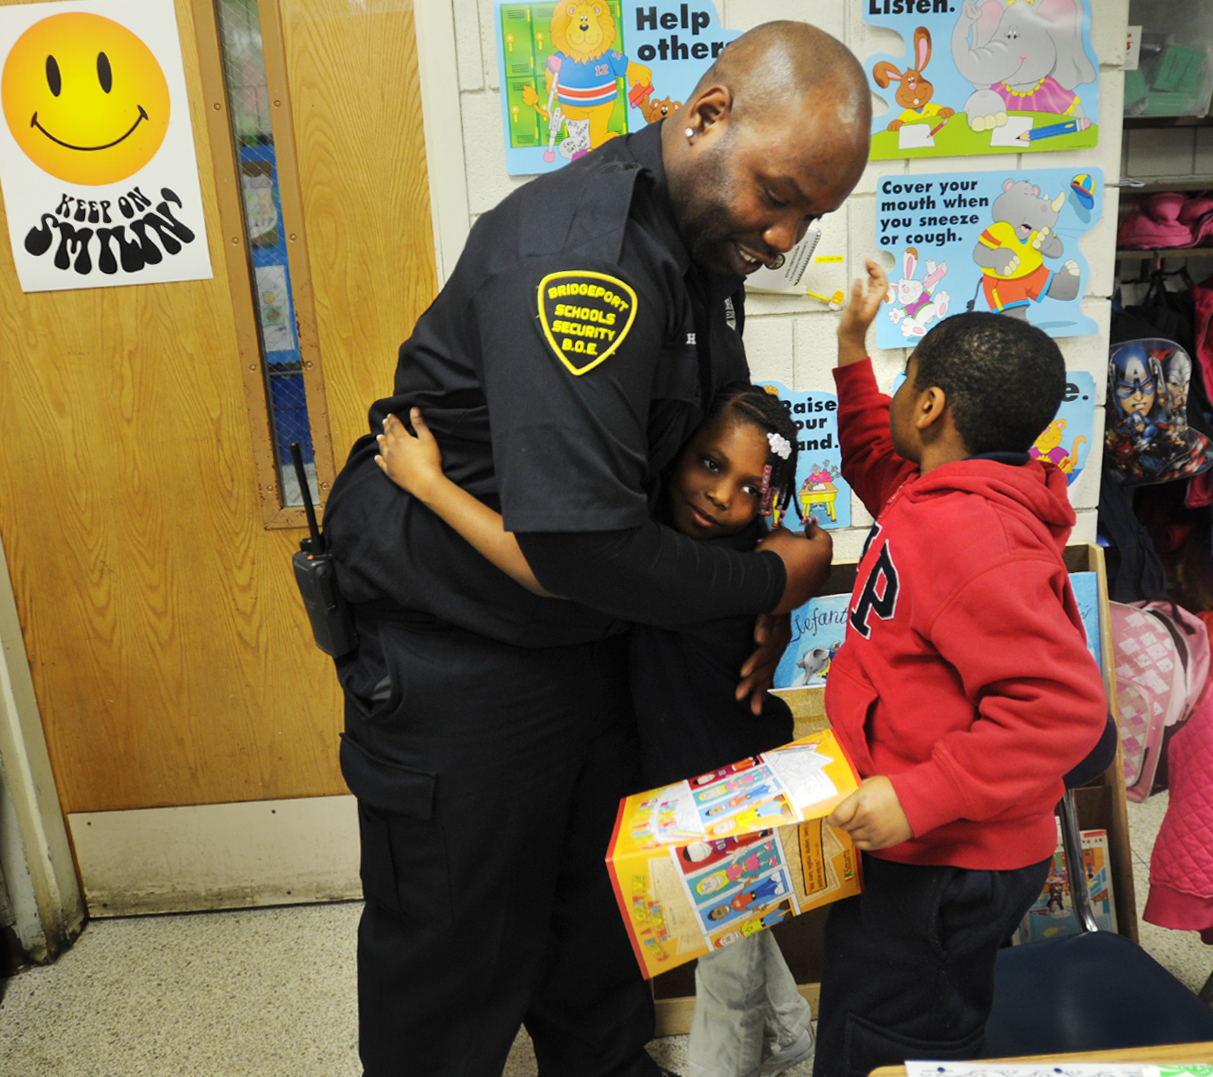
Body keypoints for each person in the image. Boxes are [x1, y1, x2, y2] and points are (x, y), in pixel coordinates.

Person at [318, 22, 870, 1077]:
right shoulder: (585, 259)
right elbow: (579, 545)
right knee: (454, 955)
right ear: (704, 114)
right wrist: (772, 578)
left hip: (591, 644)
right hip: (461, 654)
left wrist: (750, 600)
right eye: (779, 195)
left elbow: (701, 440)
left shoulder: (699, 237)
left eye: (811, 216)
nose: (784, 233)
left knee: (597, 934)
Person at [370, 383, 819, 1077]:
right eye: (707, 463)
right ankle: (790, 1034)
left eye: (746, 486)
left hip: (720, 804)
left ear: (769, 500)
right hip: (687, 787)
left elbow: (543, 565)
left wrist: (429, 484)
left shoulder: (695, 570)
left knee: (725, 963)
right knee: (741, 937)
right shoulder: (734, 558)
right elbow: (801, 545)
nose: (719, 494)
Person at [812, 261, 1109, 1077]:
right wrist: (851, 345)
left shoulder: (977, 540)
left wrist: (916, 796)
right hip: (916, 840)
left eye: (907, 380)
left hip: (948, 857)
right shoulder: (930, 488)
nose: (898, 395)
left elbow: (1062, 713)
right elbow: (873, 451)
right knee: (866, 999)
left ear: (933, 405)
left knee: (908, 1035)